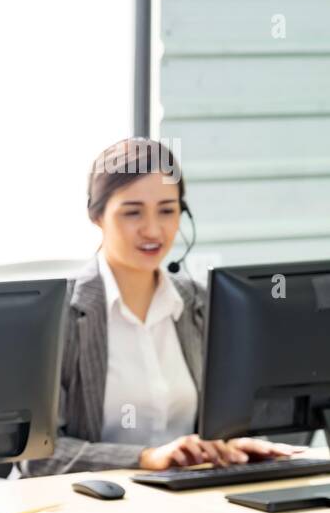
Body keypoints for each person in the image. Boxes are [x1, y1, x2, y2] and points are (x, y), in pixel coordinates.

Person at [19, 137, 301, 477]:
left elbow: (231, 422)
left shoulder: (205, 306)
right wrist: (146, 457)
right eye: (133, 212)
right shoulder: (59, 314)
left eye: (167, 210)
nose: (153, 230)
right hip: (93, 509)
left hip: (191, 499)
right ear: (97, 215)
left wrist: (232, 444)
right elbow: (37, 456)